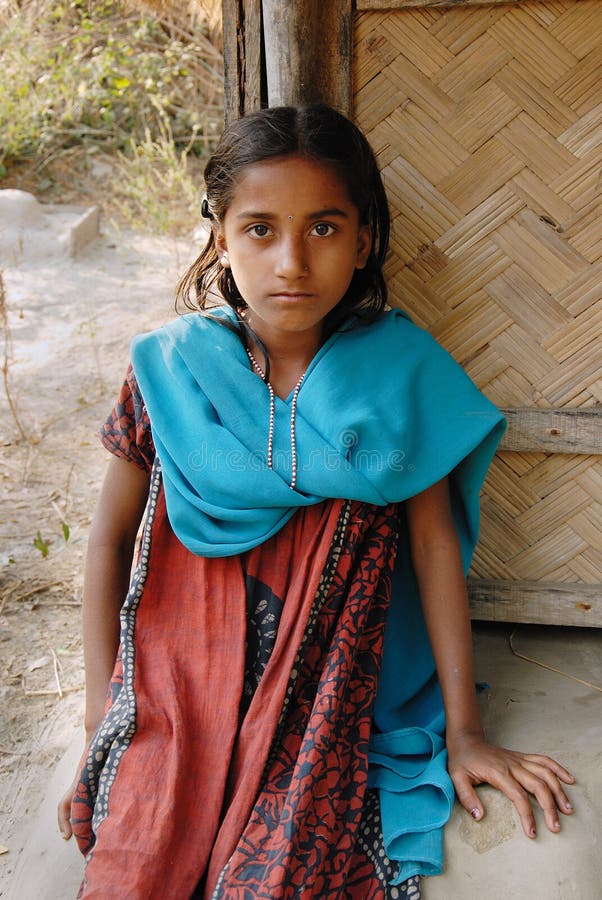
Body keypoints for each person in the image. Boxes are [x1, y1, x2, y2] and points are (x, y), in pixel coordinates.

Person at [57, 104, 574, 899]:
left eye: (324, 229)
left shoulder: (400, 373)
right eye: (260, 229)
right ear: (220, 239)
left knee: (278, 873)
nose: (292, 261)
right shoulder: (172, 370)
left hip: (327, 686)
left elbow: (433, 545)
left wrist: (465, 735)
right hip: (183, 676)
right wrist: (105, 708)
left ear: (363, 241)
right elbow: (109, 540)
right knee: (138, 858)